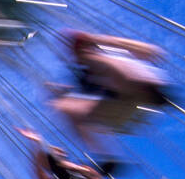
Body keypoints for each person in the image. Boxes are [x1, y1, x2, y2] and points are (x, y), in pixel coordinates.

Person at [49, 31, 170, 163]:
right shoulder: (85, 76)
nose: (77, 54)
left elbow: (150, 51)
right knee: (63, 105)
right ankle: (107, 157)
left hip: (138, 89)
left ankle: (148, 89)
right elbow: (79, 104)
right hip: (116, 109)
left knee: (95, 59)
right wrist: (60, 94)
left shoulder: (107, 54)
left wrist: (97, 40)